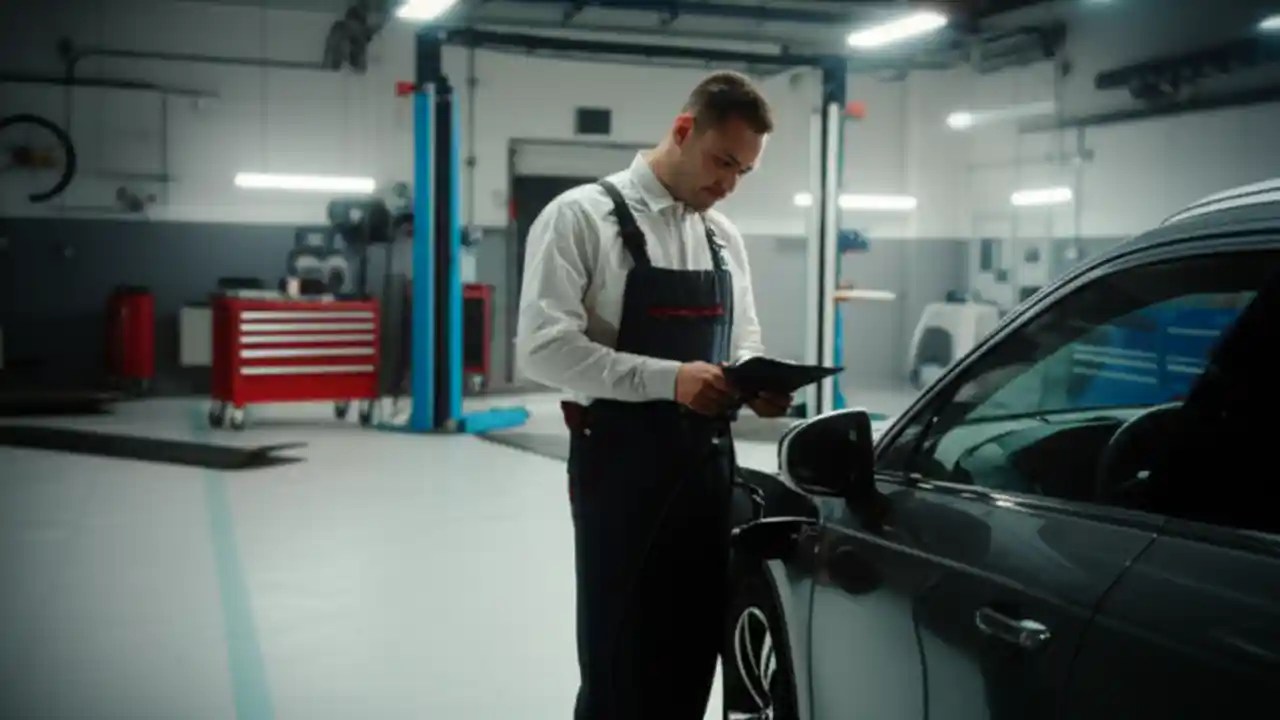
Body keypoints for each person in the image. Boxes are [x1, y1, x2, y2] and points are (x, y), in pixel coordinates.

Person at [515, 71, 791, 719]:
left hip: (708, 469)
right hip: (621, 470)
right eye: (723, 162)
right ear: (683, 130)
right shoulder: (580, 218)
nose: (727, 185)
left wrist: (755, 382)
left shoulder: (724, 237)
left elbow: (742, 336)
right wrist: (670, 381)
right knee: (622, 653)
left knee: (694, 647)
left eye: (743, 173)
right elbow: (543, 348)